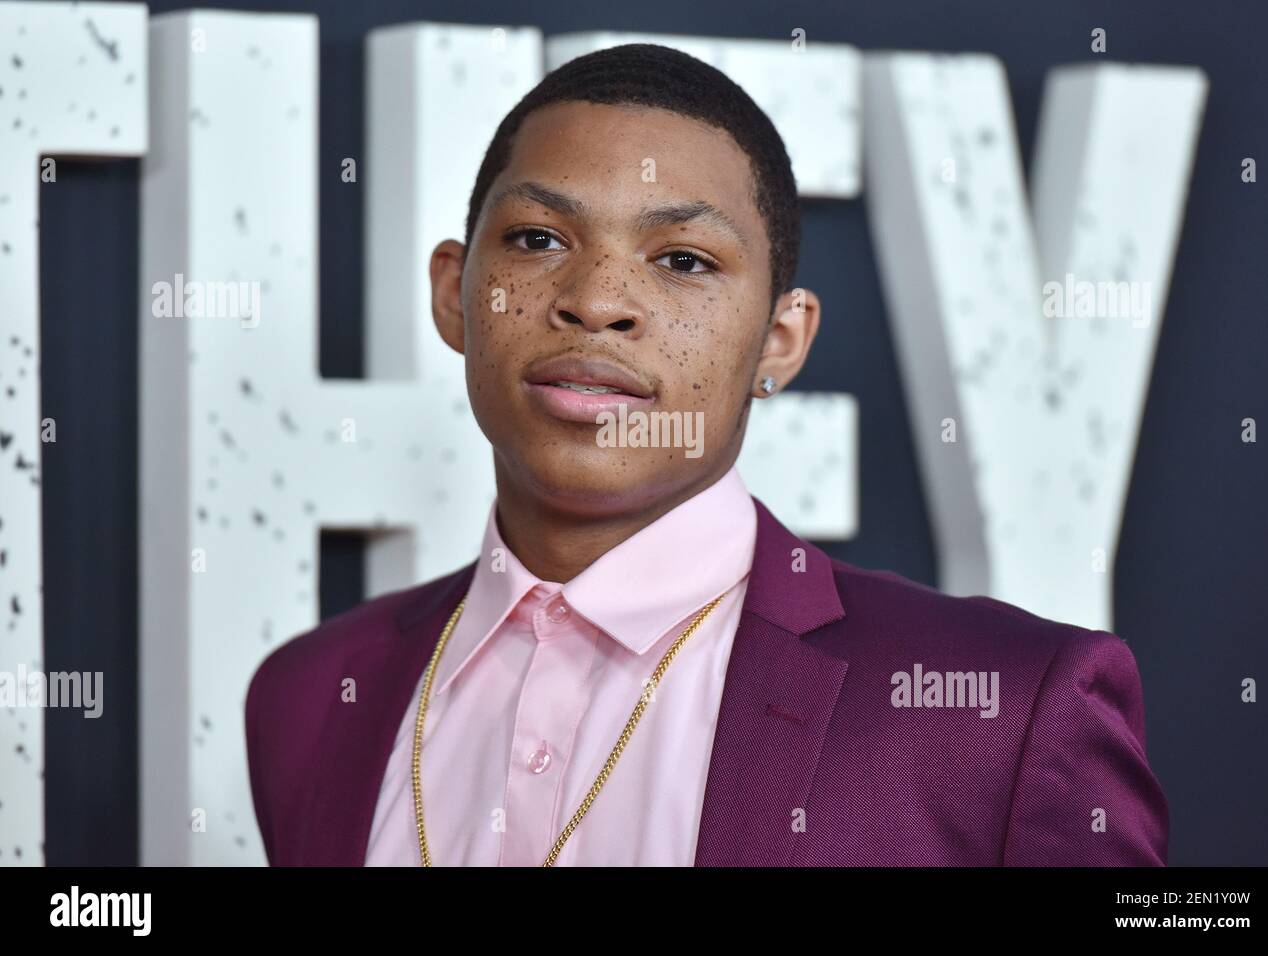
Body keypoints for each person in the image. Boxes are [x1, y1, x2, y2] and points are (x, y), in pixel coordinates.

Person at [243, 43, 1168, 866]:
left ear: (779, 340)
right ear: (455, 292)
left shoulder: (1001, 712)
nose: (598, 300)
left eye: (683, 259)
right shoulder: (312, 695)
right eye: (538, 239)